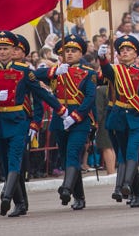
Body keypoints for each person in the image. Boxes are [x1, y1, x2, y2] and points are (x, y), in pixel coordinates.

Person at [0, 30, 66, 217]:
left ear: (13, 50)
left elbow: (42, 93)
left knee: (15, 158)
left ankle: (7, 196)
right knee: (5, 162)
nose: (1, 52)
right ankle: (21, 203)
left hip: (18, 120)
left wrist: (61, 110)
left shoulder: (24, 71)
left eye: (5, 48)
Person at [35, 34, 96, 211]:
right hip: (60, 120)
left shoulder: (88, 73)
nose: (69, 54)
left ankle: (67, 188)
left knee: (72, 153)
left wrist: (75, 116)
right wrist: (53, 71)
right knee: (65, 157)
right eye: (66, 51)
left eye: (74, 51)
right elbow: (33, 76)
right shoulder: (57, 71)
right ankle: (79, 197)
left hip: (79, 120)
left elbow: (90, 98)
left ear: (81, 53)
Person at [97, 33, 139, 209]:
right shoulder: (115, 70)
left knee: (131, 152)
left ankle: (125, 185)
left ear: (135, 53)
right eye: (121, 50)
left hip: (137, 118)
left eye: (128, 49)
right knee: (123, 155)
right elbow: (106, 71)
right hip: (118, 118)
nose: (124, 52)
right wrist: (102, 58)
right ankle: (137, 193)